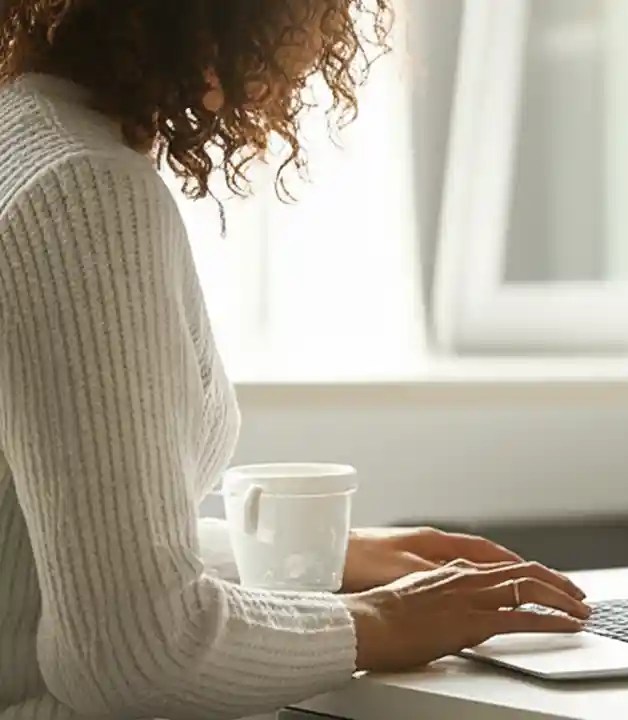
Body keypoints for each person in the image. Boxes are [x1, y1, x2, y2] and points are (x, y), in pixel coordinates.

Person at [0, 2, 588, 718]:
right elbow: (134, 650)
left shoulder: (26, 138)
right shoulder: (83, 191)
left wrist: (315, 557)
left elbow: (45, 567)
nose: (326, 36)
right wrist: (380, 621)